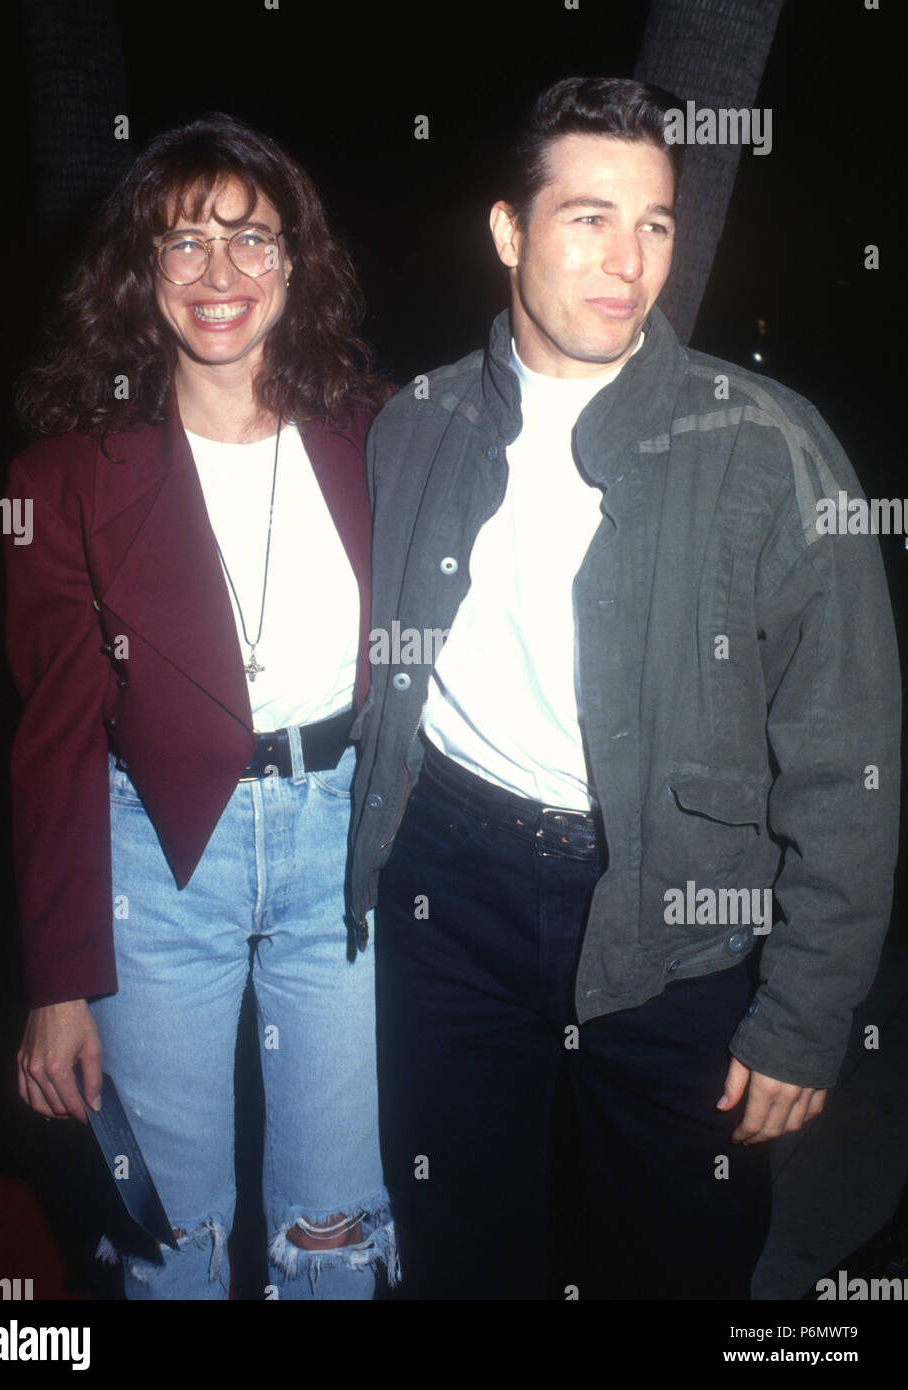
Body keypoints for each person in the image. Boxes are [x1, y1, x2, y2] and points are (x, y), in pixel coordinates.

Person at [346, 77, 901, 1299]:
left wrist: (807, 1011)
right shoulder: (417, 425)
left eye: (653, 222)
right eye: (589, 217)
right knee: (466, 1241)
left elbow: (847, 760)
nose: (629, 259)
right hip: (451, 891)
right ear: (508, 232)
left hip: (676, 924)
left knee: (680, 1253)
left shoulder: (770, 447)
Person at [7, 113, 396, 1300]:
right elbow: (56, 740)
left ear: (298, 261)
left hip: (346, 853)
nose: (220, 274)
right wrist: (56, 980)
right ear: (143, 271)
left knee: (334, 1222)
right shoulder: (64, 476)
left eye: (251, 240)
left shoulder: (382, 431)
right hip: (158, 859)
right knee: (167, 1231)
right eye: (184, 243)